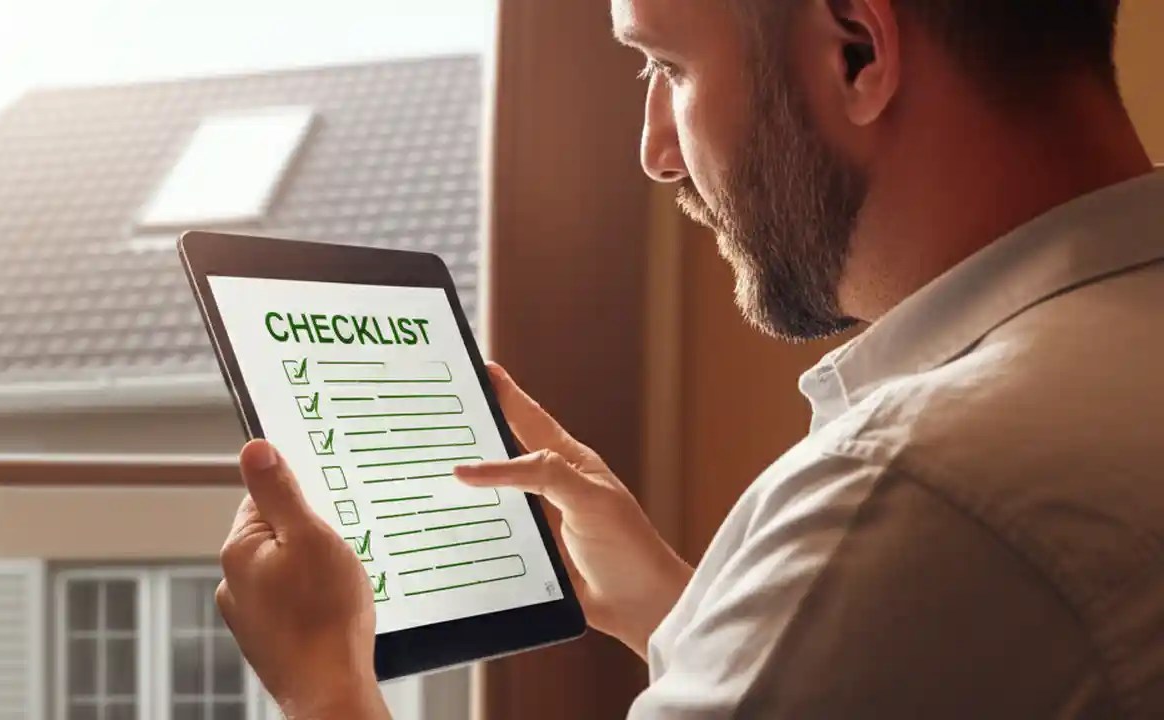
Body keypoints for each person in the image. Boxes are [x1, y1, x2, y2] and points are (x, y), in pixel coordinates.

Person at [214, 0, 1164, 717]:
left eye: (667, 66)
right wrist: (685, 614)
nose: (656, 153)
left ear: (857, 50)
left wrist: (327, 684)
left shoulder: (918, 494)